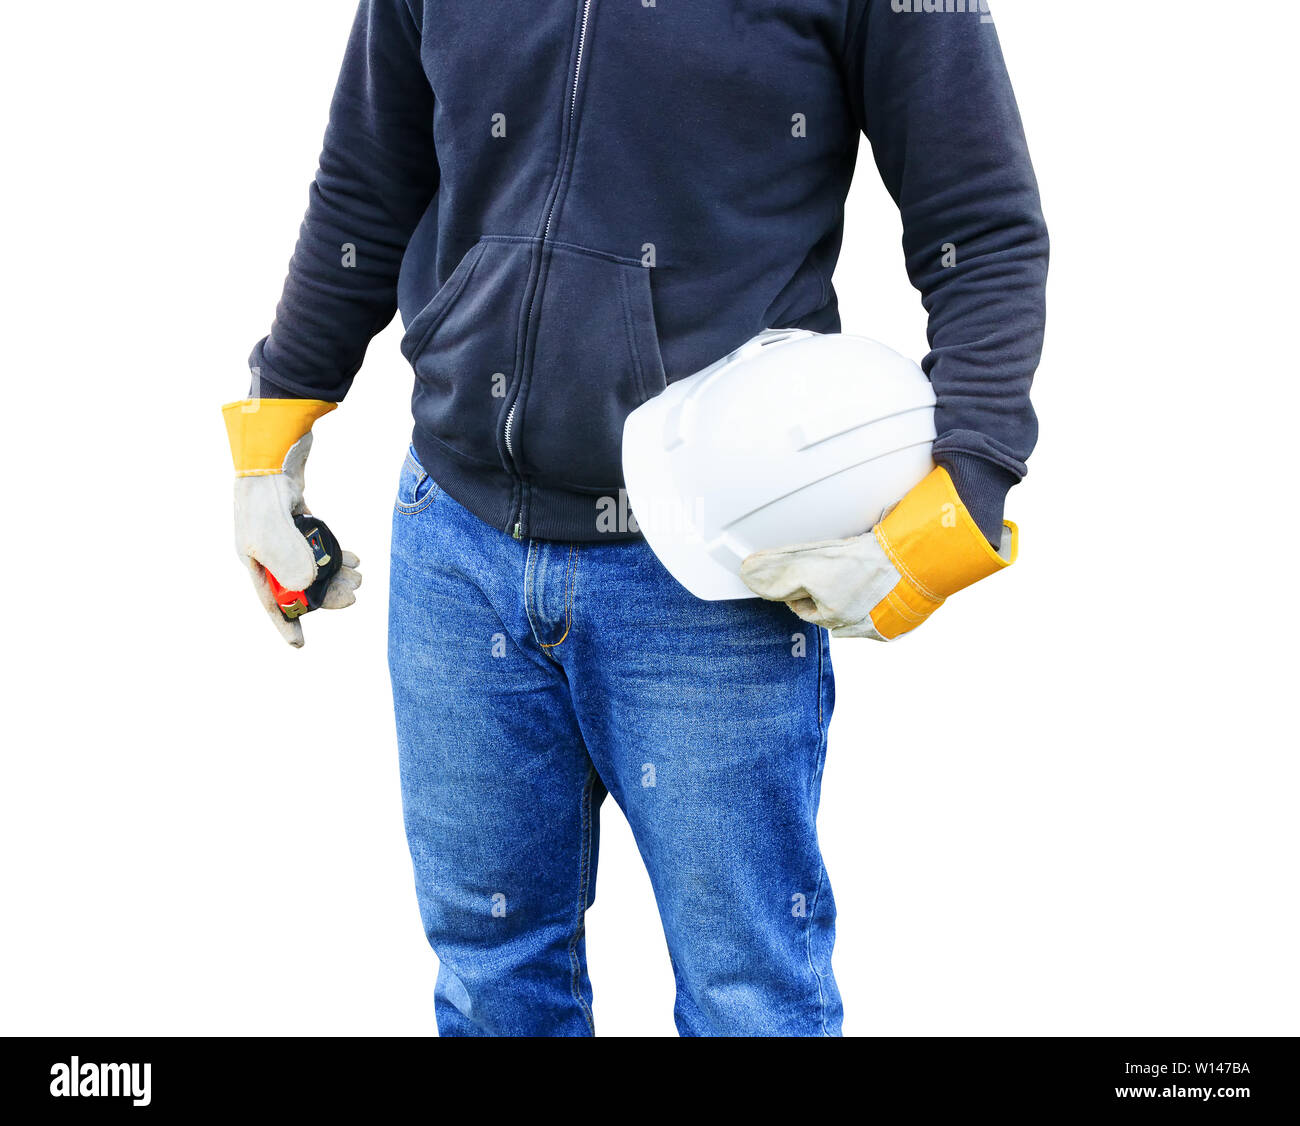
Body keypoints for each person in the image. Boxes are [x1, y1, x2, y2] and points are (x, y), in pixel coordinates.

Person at [223, 0, 1048, 1037]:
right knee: (490, 976)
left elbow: (979, 226)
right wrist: (277, 423)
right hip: (455, 539)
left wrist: (962, 494)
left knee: (749, 996)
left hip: (711, 575)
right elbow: (369, 172)